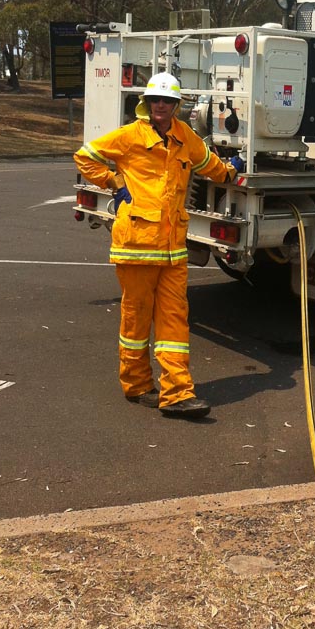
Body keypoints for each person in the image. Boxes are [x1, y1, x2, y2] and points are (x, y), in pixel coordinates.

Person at [74, 72, 243, 419]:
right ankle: (136, 385)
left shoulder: (186, 137)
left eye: (167, 101)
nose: (161, 106)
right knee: (136, 321)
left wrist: (230, 170)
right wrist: (114, 182)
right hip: (136, 245)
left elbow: (208, 164)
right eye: (155, 100)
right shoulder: (130, 136)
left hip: (172, 249)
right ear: (147, 104)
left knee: (174, 320)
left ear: (177, 105)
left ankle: (177, 393)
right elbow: (85, 155)